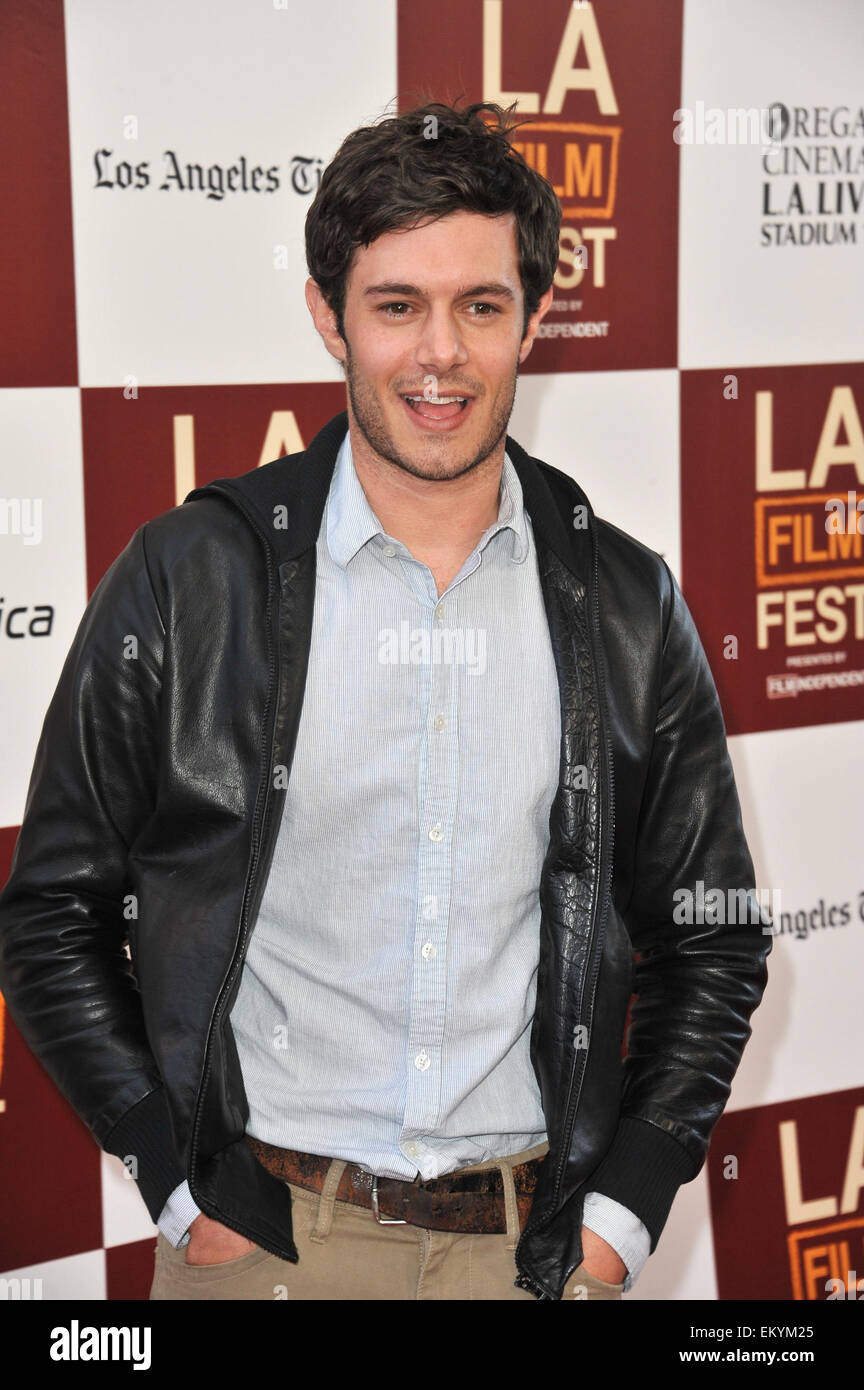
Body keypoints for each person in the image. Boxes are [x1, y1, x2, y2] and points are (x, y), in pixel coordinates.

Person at [0, 101, 771, 1302]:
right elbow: (52, 911)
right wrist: (172, 1172)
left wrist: (624, 1211)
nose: (440, 355)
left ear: (537, 317)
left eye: (481, 305)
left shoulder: (626, 601)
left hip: (530, 1255)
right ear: (329, 314)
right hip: (263, 1246)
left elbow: (712, 930)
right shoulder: (191, 577)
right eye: (396, 304)